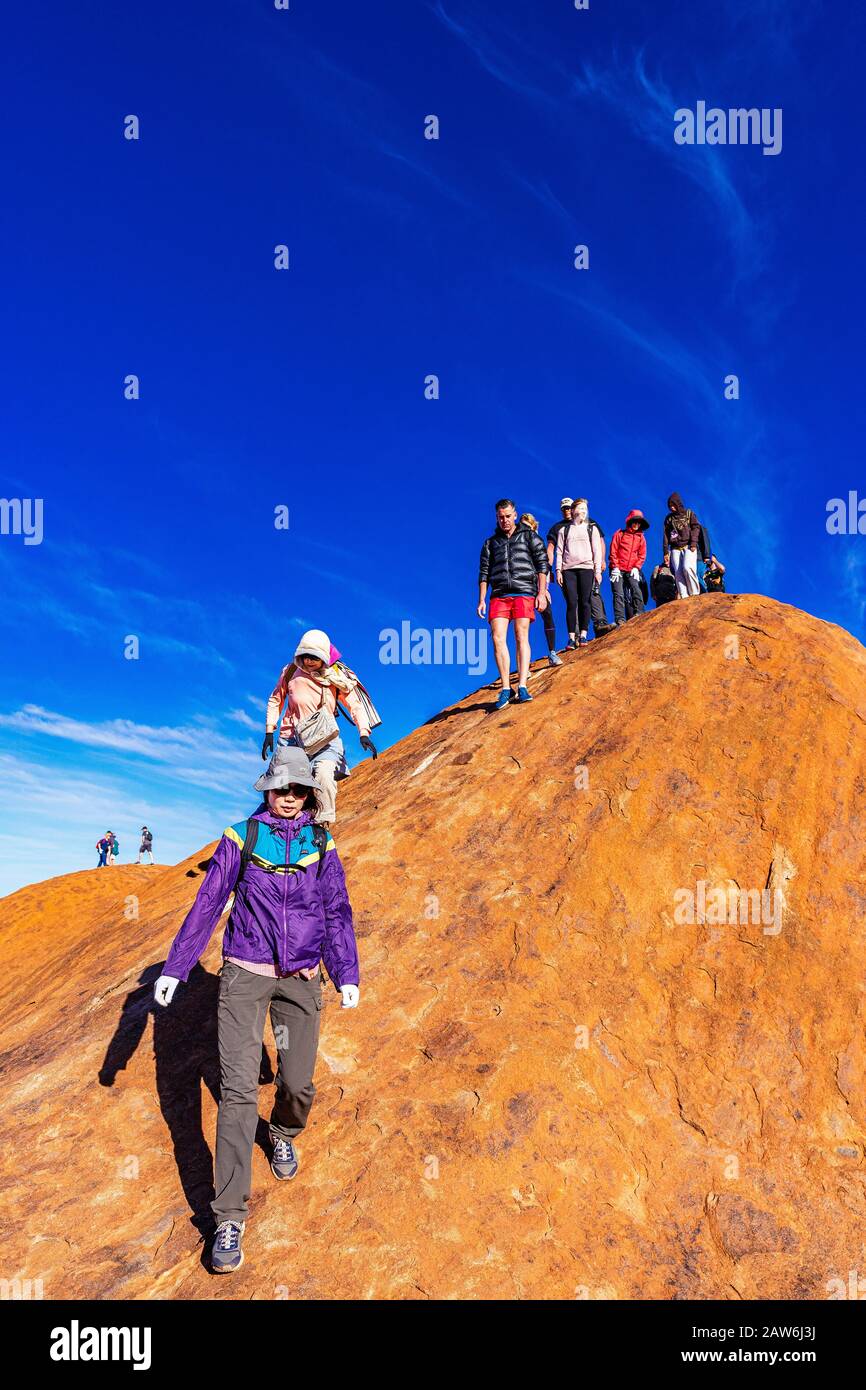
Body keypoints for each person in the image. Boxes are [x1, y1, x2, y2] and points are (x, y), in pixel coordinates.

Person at [153, 745, 360, 1275]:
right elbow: (208, 901)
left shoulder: (321, 840)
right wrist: (177, 967)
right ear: (267, 789)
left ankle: (285, 1134)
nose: (289, 798)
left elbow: (335, 908)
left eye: (298, 790)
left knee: (296, 1082)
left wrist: (346, 972)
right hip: (245, 973)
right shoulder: (240, 837)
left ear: (307, 793)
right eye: (281, 789)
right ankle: (228, 1216)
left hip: (301, 978)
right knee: (239, 1092)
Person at [262, 630, 378, 827]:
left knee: (323, 775)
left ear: (324, 656)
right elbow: (276, 699)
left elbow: (355, 705)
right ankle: (271, 826)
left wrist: (364, 732)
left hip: (324, 740)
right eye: (305, 656)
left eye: (314, 657)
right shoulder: (289, 672)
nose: (308, 661)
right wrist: (269, 731)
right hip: (291, 738)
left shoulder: (335, 677)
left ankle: (321, 827)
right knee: (281, 783)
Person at [478, 498, 550, 708]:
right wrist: (482, 599)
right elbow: (483, 573)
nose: (505, 520)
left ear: (515, 515)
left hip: (524, 591)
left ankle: (523, 685)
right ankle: (506, 689)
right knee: (497, 637)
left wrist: (542, 592)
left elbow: (542, 565)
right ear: (496, 517)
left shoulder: (529, 536)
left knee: (521, 635)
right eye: (501, 517)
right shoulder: (490, 543)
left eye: (508, 516)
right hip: (499, 594)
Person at [554, 497, 604, 648]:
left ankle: (583, 635)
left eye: (585, 509)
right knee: (571, 602)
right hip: (568, 569)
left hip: (587, 568)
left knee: (585, 601)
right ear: (573, 510)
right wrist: (558, 570)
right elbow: (559, 551)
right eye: (580, 508)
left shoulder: (592, 528)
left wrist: (597, 571)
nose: (583, 512)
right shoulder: (564, 530)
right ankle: (571, 637)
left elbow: (597, 551)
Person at [522, 512, 561, 666]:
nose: (525, 530)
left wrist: (544, 591)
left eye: (528, 527)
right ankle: (524, 663)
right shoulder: (517, 544)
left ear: (534, 527)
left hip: (537, 588)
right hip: (523, 587)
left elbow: (543, 569)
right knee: (523, 624)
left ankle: (552, 653)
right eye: (522, 526)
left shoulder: (538, 545)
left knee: (548, 615)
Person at [608, 509, 650, 625]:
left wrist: (637, 567)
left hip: (632, 569)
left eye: (639, 522)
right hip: (617, 569)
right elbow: (613, 551)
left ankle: (639, 612)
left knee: (636, 588)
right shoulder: (620, 534)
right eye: (635, 522)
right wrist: (615, 567)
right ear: (630, 521)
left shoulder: (641, 538)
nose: (637, 525)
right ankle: (620, 619)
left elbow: (642, 555)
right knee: (618, 593)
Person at [663, 492, 702, 598]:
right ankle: (684, 596)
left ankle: (694, 593)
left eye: (673, 504)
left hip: (689, 545)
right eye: (670, 505)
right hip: (675, 548)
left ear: (678, 503)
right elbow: (666, 536)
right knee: (678, 572)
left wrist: (694, 542)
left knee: (688, 567)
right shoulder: (669, 519)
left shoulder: (688, 513)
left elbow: (696, 527)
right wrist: (666, 552)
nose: (672, 507)